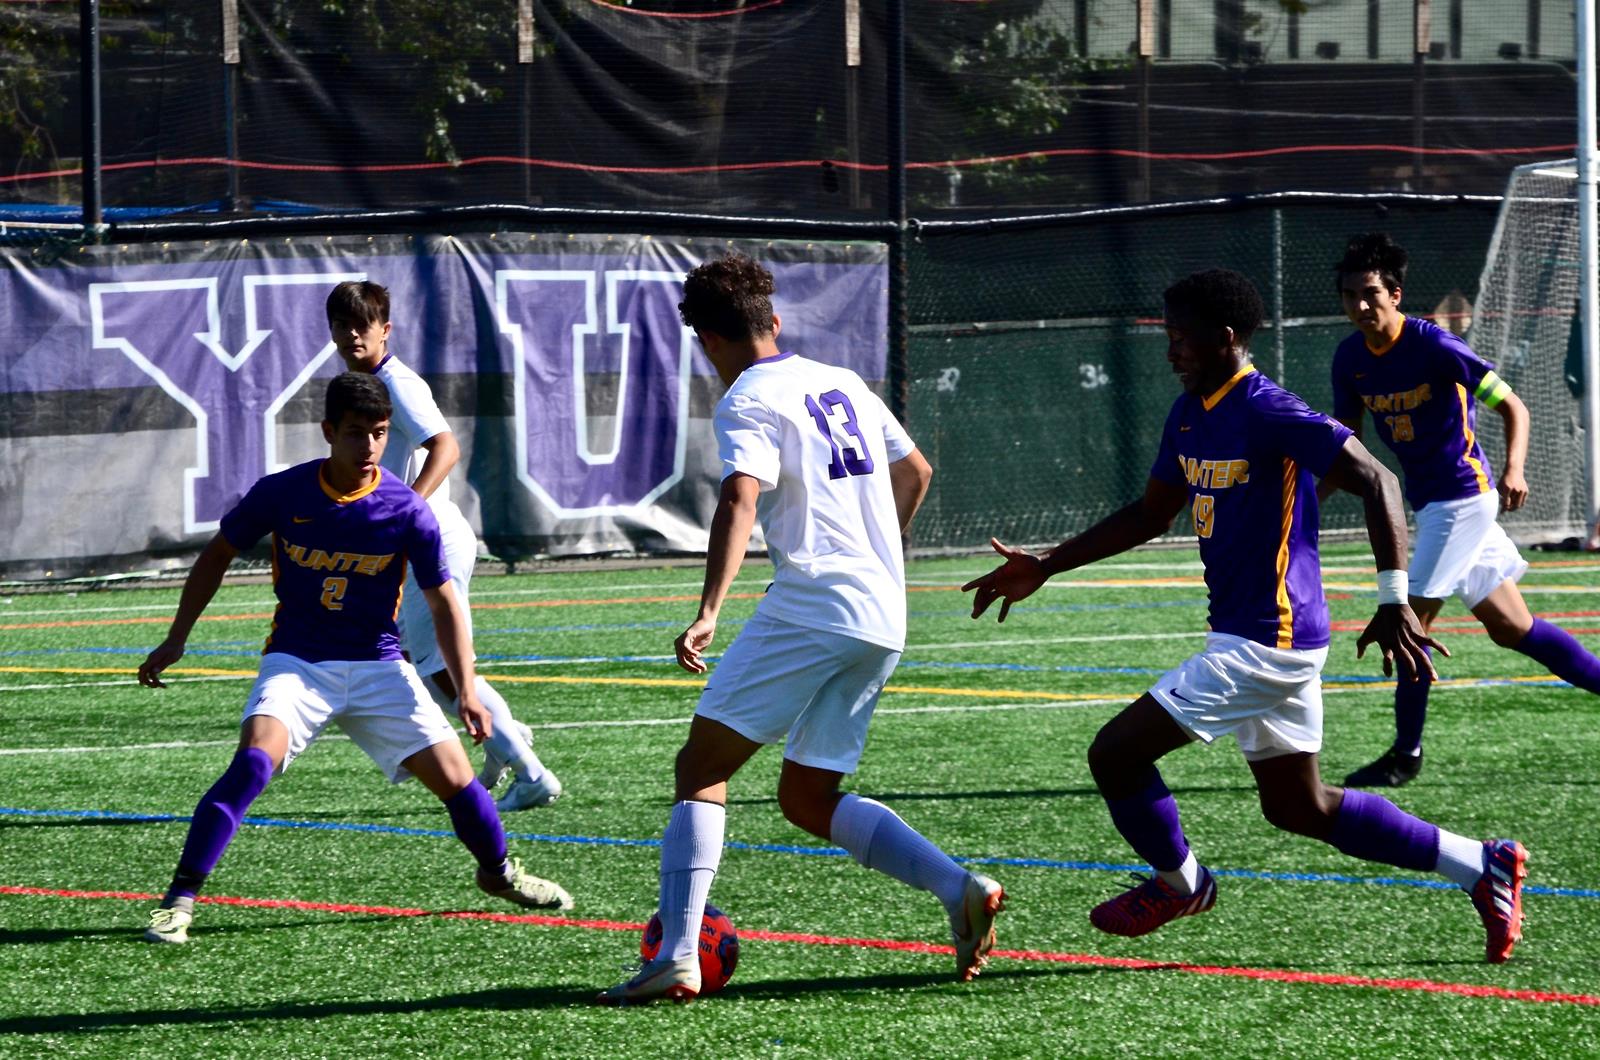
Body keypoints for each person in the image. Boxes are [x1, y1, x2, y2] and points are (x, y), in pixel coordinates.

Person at [962, 269, 1526, 963]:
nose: (1172, 351)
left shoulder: (1267, 407)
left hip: (1268, 640)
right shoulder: (1189, 413)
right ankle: (1482, 863)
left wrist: (1392, 598)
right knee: (1299, 807)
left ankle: (1182, 883)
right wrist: (1044, 566)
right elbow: (1150, 513)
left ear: (1225, 339)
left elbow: (1376, 479)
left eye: (1183, 338)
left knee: (1115, 753)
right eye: (1167, 337)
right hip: (1253, 636)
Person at [597, 255, 1004, 1004]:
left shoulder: (746, 398)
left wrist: (711, 608)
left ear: (707, 339)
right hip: (883, 611)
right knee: (807, 797)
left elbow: (740, 499)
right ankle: (958, 887)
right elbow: (915, 472)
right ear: (774, 321)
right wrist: (876, 554)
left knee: (701, 767)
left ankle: (678, 955)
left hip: (814, 603)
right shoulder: (842, 381)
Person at [139, 372, 572, 945]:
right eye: (354, 433)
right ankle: (178, 900)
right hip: (298, 662)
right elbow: (216, 555)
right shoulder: (283, 492)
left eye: (379, 433)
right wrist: (177, 637)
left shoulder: (404, 508)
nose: (368, 447)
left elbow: (445, 603)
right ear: (327, 432)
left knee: (461, 785)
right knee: (251, 763)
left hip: (379, 665)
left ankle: (498, 875)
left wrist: (466, 687)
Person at [1329, 233, 1600, 787]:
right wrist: (1301, 503)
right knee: (1513, 628)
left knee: (1407, 625)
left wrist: (1515, 469)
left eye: (1370, 293)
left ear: (1395, 294)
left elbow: (1514, 406)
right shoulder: (1349, 359)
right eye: (1349, 295)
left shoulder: (1435, 346)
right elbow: (1345, 446)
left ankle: (1405, 755)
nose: (1359, 305)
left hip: (1464, 500)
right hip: (1431, 507)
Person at [328, 281, 562, 812]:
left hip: (428, 538)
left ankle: (531, 773)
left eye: (359, 325)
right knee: (419, 660)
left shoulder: (396, 383)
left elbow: (446, 446)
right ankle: (505, 743)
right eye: (340, 326)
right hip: (421, 538)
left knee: (437, 669)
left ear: (384, 330)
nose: (348, 336)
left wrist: (408, 507)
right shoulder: (365, 380)